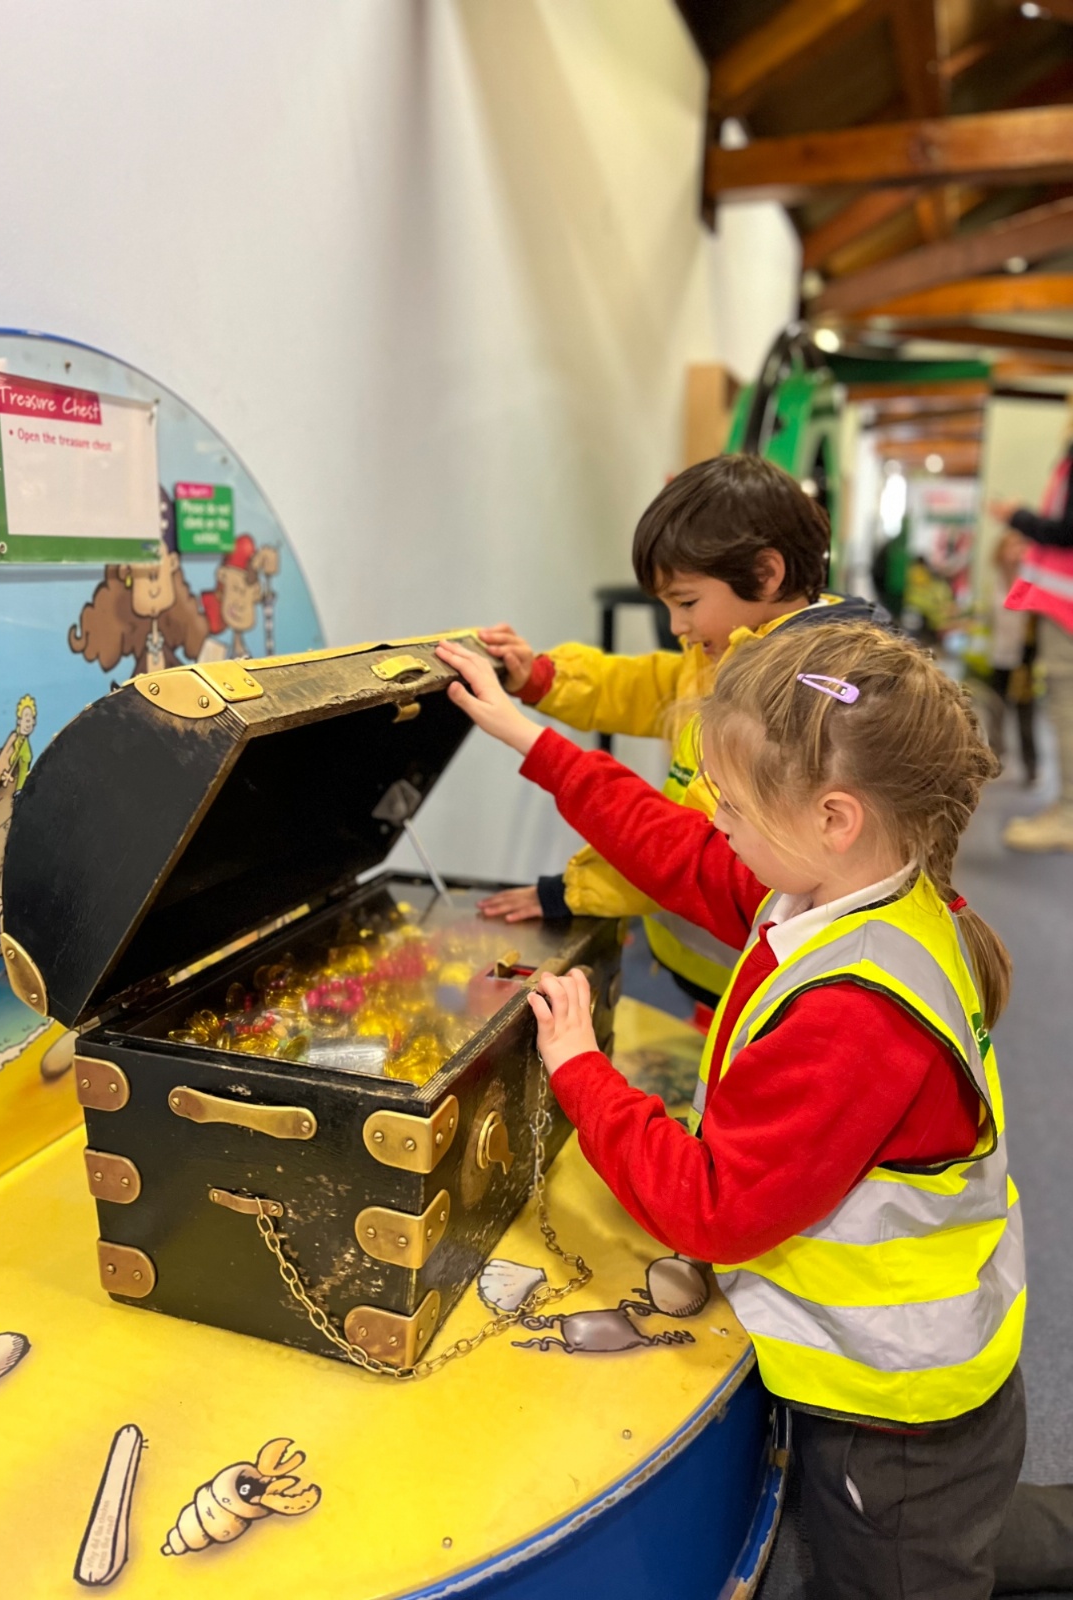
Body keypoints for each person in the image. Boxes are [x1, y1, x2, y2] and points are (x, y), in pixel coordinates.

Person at [437, 623, 1071, 1598]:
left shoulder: (855, 1016)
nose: (713, 814)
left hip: (893, 1415)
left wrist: (582, 1067)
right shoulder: (870, 890)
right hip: (936, 1400)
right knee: (966, 1520)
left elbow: (711, 1203)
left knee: (905, 1562)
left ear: (834, 816)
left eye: (730, 799)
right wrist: (531, 736)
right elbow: (679, 851)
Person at [476, 454, 886, 1021]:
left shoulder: (790, 700)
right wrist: (542, 678)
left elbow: (690, 854)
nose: (676, 628)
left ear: (766, 574)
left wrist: (569, 890)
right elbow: (651, 685)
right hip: (706, 968)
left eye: (687, 602)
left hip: (756, 985)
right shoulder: (735, 648)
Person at [991, 436, 1073, 852]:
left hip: (1067, 607)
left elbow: (1066, 529)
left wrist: (1017, 516)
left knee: (1064, 705)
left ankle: (1069, 813)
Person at [984, 531, 1038, 788]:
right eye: (1010, 545)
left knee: (1025, 716)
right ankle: (994, 759)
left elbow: (1022, 611)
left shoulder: (1030, 580)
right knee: (996, 709)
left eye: (1019, 545)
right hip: (1000, 656)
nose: (1014, 551)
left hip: (1024, 660)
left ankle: (1032, 768)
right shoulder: (997, 581)